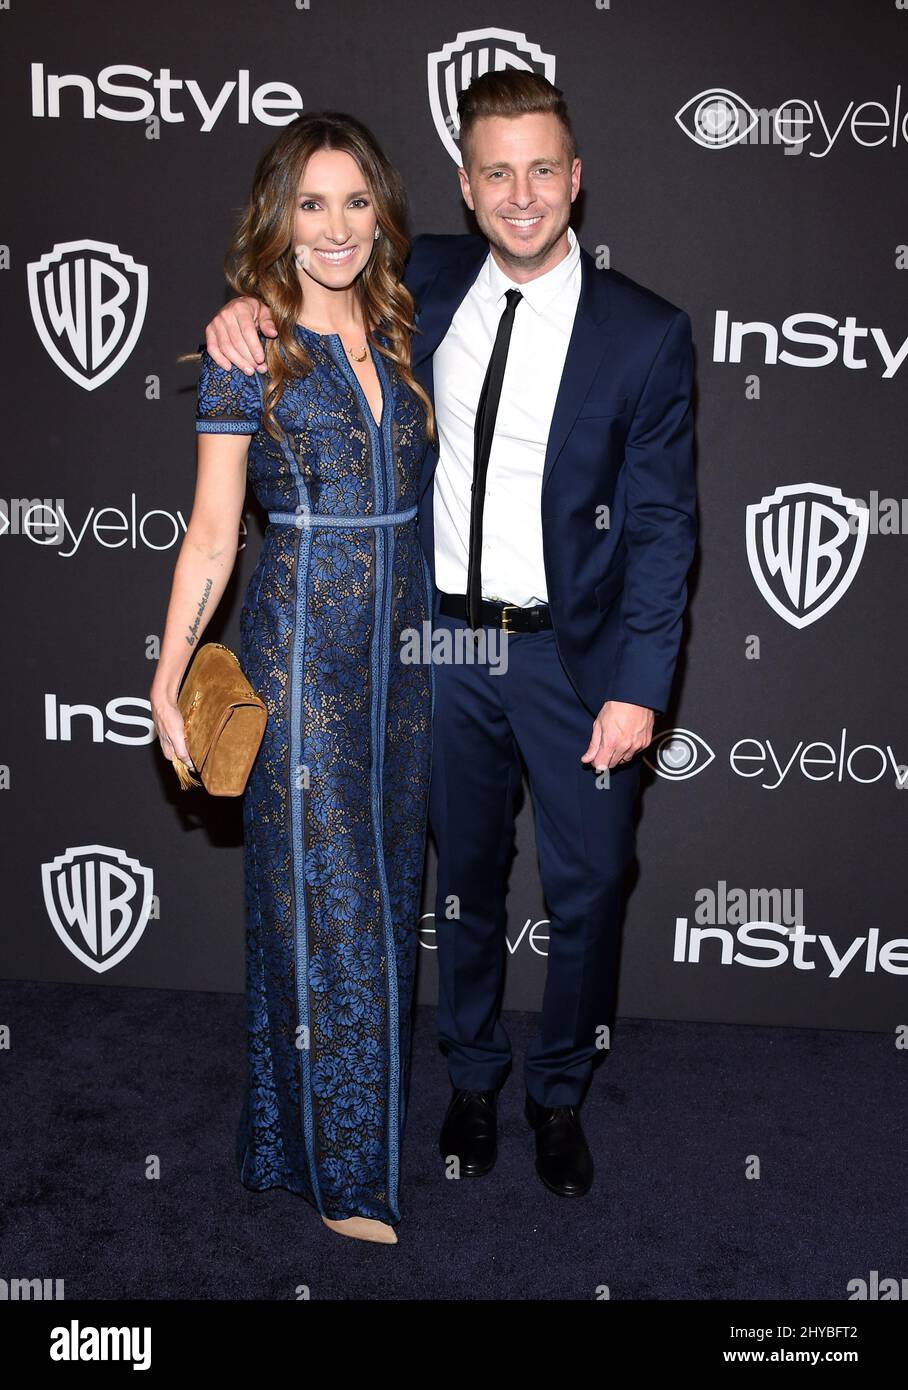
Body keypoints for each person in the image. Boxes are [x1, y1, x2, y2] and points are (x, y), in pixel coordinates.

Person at [204, 71, 697, 1199]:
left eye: (540, 170)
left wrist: (639, 684)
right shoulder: (413, 283)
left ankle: (557, 1092)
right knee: (463, 881)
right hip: (435, 650)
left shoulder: (645, 332)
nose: (519, 195)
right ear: (465, 191)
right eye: (494, 173)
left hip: (573, 661)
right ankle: (471, 1078)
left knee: (585, 891)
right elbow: (293, 290)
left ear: (573, 180)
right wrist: (235, 312)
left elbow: (664, 527)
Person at [150, 111, 435, 1245]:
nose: (335, 228)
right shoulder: (245, 348)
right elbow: (215, 532)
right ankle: (349, 1178)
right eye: (310, 204)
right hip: (298, 656)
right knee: (335, 914)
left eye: (355, 201)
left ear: (383, 212)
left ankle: (277, 1136)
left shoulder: (409, 321)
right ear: (278, 215)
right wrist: (168, 676)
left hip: (403, 666)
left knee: (366, 896)